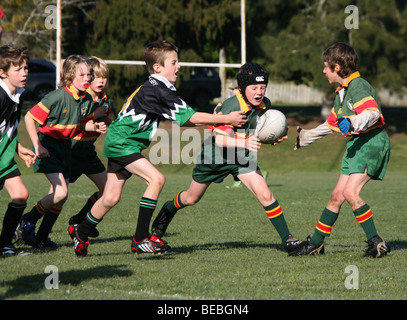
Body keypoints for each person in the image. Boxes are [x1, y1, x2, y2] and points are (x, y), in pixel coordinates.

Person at [69, 40, 247, 257]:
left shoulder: (159, 87)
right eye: (174, 62)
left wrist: (218, 119)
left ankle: (81, 231)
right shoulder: (157, 90)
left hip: (123, 140)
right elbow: (189, 117)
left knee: (110, 198)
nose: (179, 66)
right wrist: (225, 118)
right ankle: (140, 239)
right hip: (123, 142)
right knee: (156, 179)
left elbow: (185, 120)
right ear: (157, 67)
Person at [151, 62, 302, 253]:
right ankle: (167, 210)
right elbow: (221, 140)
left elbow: (256, 130)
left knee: (265, 194)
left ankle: (288, 240)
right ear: (241, 88)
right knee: (191, 198)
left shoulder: (266, 105)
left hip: (240, 157)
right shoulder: (232, 105)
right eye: (253, 88)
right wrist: (245, 143)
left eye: (262, 88)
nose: (259, 92)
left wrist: (272, 137)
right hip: (215, 157)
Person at [289, 42, 391, 258]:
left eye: (326, 66)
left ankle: (377, 242)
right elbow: (332, 124)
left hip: (371, 142)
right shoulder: (342, 93)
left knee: (350, 193)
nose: (323, 70)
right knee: (337, 196)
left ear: (337, 67)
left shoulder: (358, 86)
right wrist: (306, 136)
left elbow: (372, 113)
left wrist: (353, 122)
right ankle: (315, 243)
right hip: (356, 144)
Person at [18, 55, 106, 249]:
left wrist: (95, 127)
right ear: (68, 75)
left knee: (61, 197)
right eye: (81, 74)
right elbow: (29, 118)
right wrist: (38, 146)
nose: (87, 78)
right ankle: (26, 220)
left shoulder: (86, 100)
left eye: (89, 74)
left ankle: (41, 237)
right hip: (48, 147)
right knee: (60, 194)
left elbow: (80, 125)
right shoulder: (57, 97)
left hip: (65, 148)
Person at [68, 56, 113, 237]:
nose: (101, 81)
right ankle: (30, 223)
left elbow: (105, 120)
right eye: (96, 77)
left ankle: (79, 221)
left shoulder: (105, 99)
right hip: (71, 150)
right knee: (57, 196)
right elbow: (70, 123)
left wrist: (116, 125)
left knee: (108, 190)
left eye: (105, 77)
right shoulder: (80, 98)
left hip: (88, 152)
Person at [0, 45, 36, 256]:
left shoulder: (18, 94)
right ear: (3, 72)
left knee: (21, 194)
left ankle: (5, 244)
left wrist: (18, 148)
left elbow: (7, 129)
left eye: (26, 68)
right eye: (18, 69)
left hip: (4, 157)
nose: (24, 73)